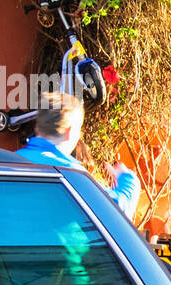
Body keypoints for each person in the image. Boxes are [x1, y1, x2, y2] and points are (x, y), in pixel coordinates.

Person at [16, 91, 141, 220]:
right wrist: (127, 178)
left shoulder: (9, 162)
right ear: (69, 131)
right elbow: (118, 213)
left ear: (38, 127)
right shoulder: (70, 174)